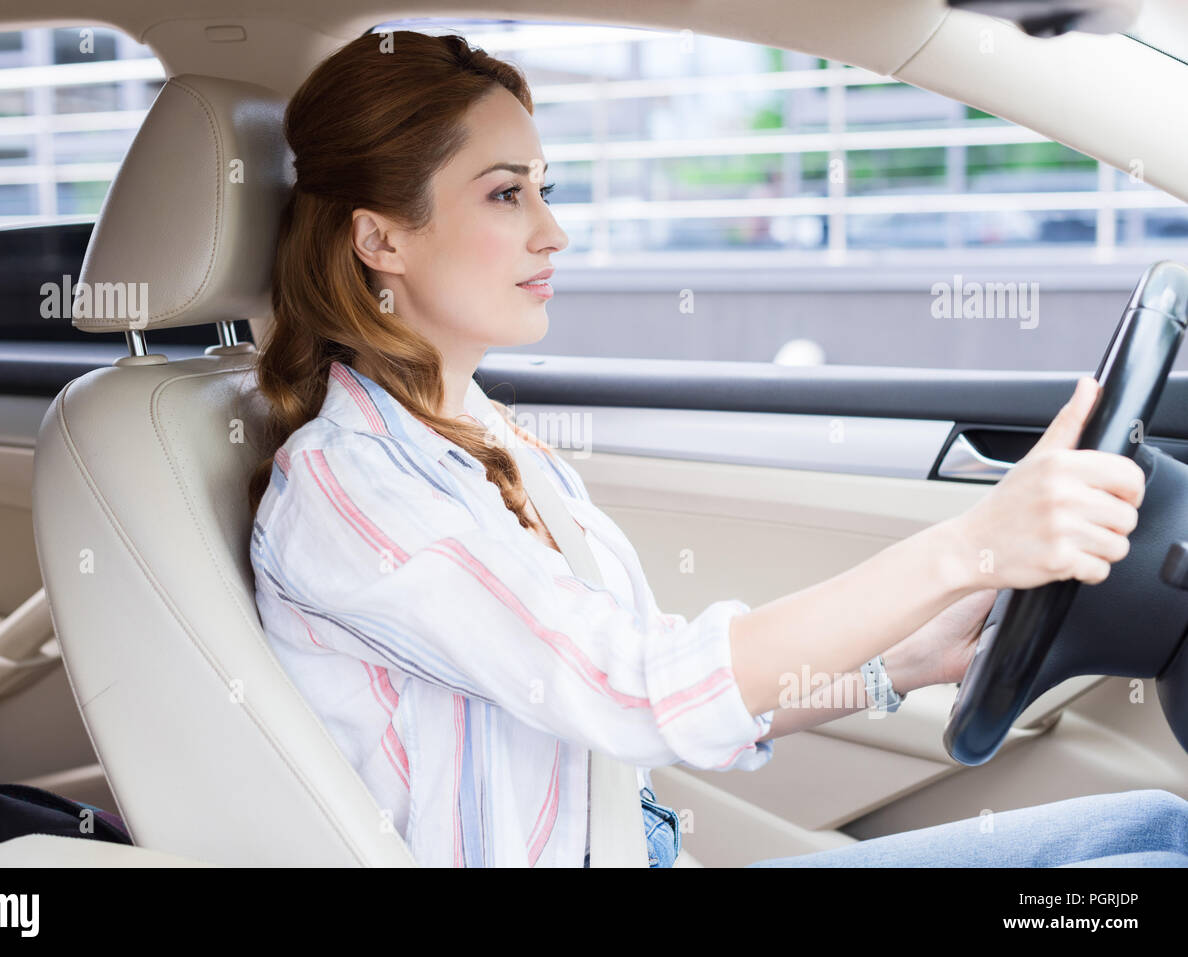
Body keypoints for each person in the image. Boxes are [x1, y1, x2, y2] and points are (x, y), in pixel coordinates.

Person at [247, 30, 1188, 867]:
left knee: (1149, 835)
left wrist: (909, 660)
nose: (553, 230)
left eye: (546, 189)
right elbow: (641, 691)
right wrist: (970, 546)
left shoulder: (478, 435)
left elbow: (668, 689)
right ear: (381, 238)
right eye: (506, 194)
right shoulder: (353, 486)